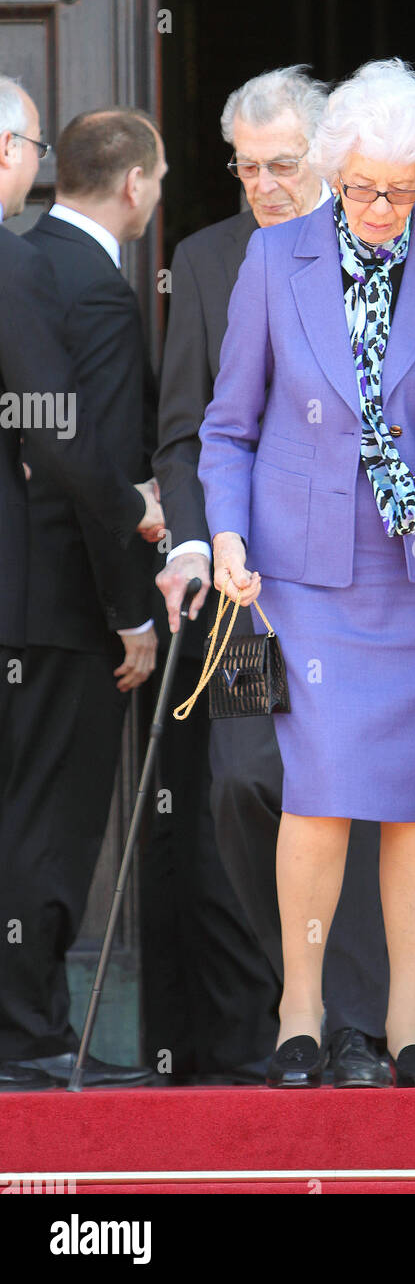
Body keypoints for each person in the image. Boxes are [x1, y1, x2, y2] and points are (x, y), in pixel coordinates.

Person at [198, 59, 415, 1089]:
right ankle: (302, 1005)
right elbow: (227, 427)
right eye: (361, 184)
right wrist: (226, 536)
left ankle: (409, 1017)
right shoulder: (276, 260)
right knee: (315, 789)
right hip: (302, 572)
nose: (377, 207)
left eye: (401, 189)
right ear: (334, 169)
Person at [152, 66, 389, 1086]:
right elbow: (185, 431)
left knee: (369, 794)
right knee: (247, 782)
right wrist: (195, 543)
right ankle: (307, 986)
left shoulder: (389, 248)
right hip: (255, 590)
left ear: (330, 154)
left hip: (374, 583)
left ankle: (353, 1026)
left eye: (282, 164)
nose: (264, 185)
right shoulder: (209, 260)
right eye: (246, 168)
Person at [0, 79, 164, 1090]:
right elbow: (59, 435)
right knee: (43, 823)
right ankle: (28, 1035)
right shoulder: (17, 263)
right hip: (39, 600)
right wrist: (134, 579)